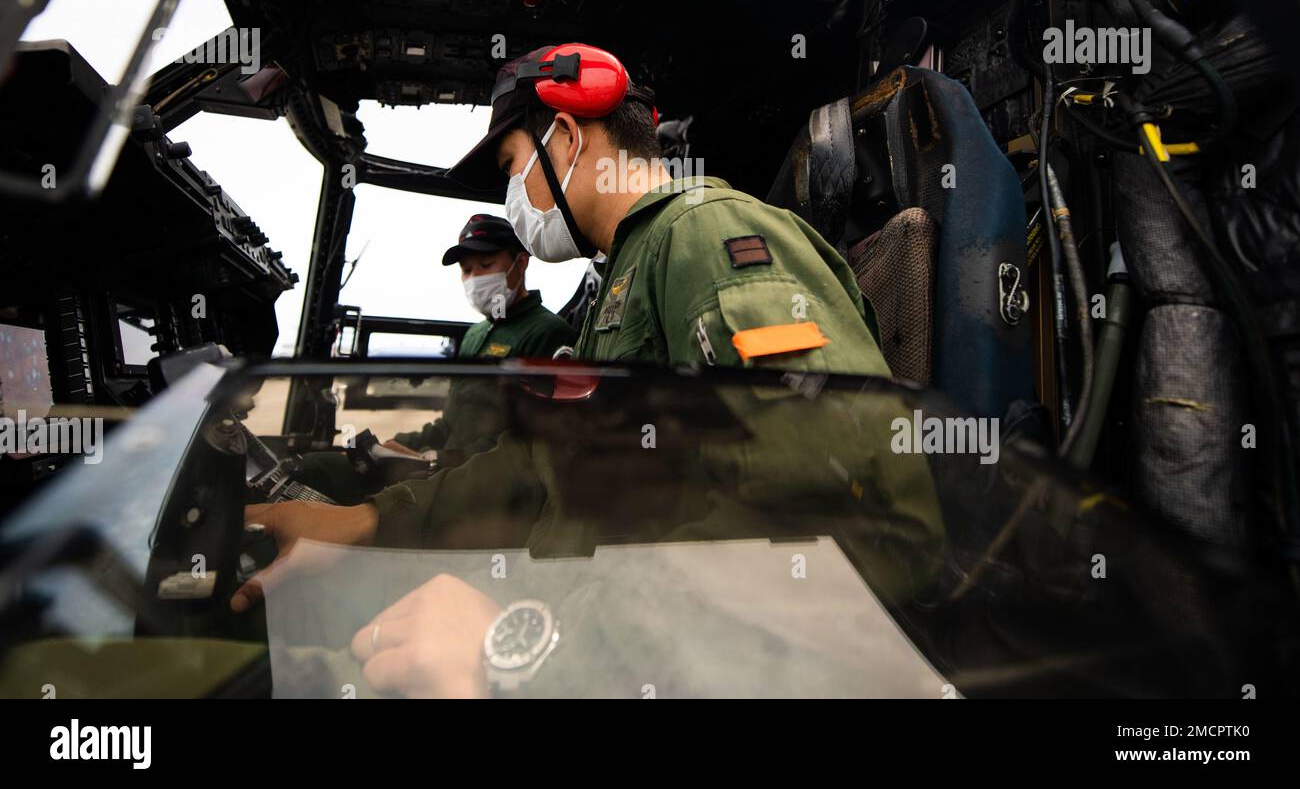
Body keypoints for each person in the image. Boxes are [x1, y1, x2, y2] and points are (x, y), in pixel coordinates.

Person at [234, 43, 944, 697]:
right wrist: (365, 522)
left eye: (513, 167)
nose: (514, 198)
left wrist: (532, 648)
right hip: (597, 603)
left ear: (568, 138)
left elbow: (834, 521)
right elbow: (547, 460)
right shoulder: (625, 277)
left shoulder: (707, 235)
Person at [388, 213, 573, 466]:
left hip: (483, 485)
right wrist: (395, 444)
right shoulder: (474, 336)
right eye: (466, 270)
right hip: (444, 470)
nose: (474, 279)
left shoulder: (548, 333)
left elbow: (527, 442)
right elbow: (449, 425)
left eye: (486, 265)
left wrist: (433, 460)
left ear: (521, 264)